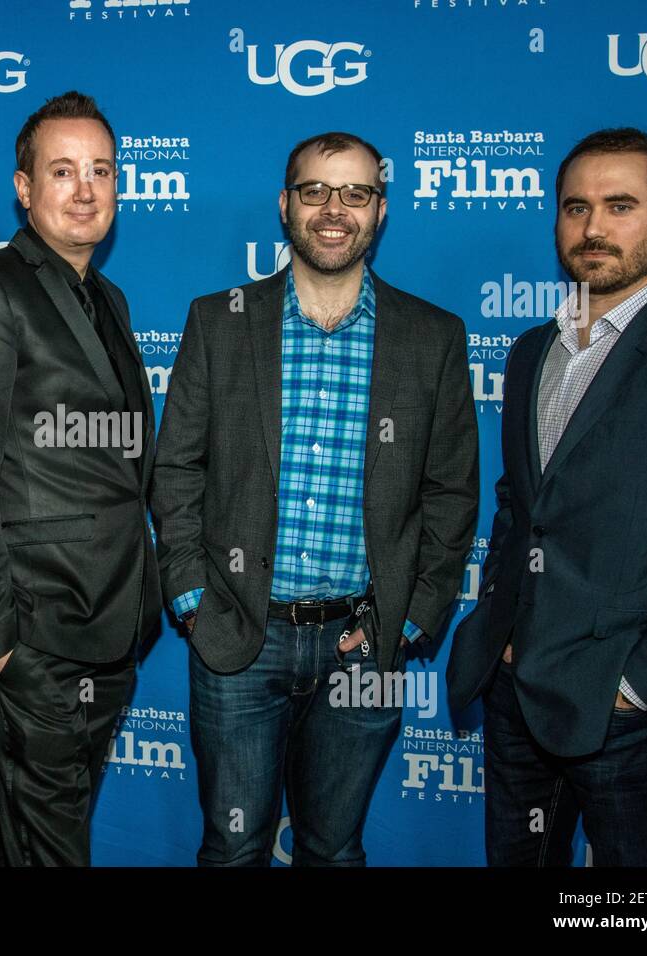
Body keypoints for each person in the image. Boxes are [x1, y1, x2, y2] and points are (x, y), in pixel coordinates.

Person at [152, 131, 478, 866]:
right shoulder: (220, 320)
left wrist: (415, 616)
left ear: (381, 209)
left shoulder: (433, 338)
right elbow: (175, 470)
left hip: (364, 647)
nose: (335, 209)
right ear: (286, 204)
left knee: (332, 850)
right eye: (315, 191)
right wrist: (193, 597)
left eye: (356, 192)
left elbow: (451, 495)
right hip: (238, 638)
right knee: (234, 848)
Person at [447, 127, 647, 866]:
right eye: (577, 208)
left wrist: (640, 684)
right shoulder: (531, 349)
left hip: (627, 716)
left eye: (620, 206)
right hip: (516, 693)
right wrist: (501, 625)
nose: (595, 228)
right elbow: (522, 505)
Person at [0, 91, 162, 867]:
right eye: (63, 171)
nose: (86, 189)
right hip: (34, 634)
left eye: (101, 170)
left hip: (111, 623)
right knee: (55, 850)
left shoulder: (109, 298)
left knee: (32, 843)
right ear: (23, 187)